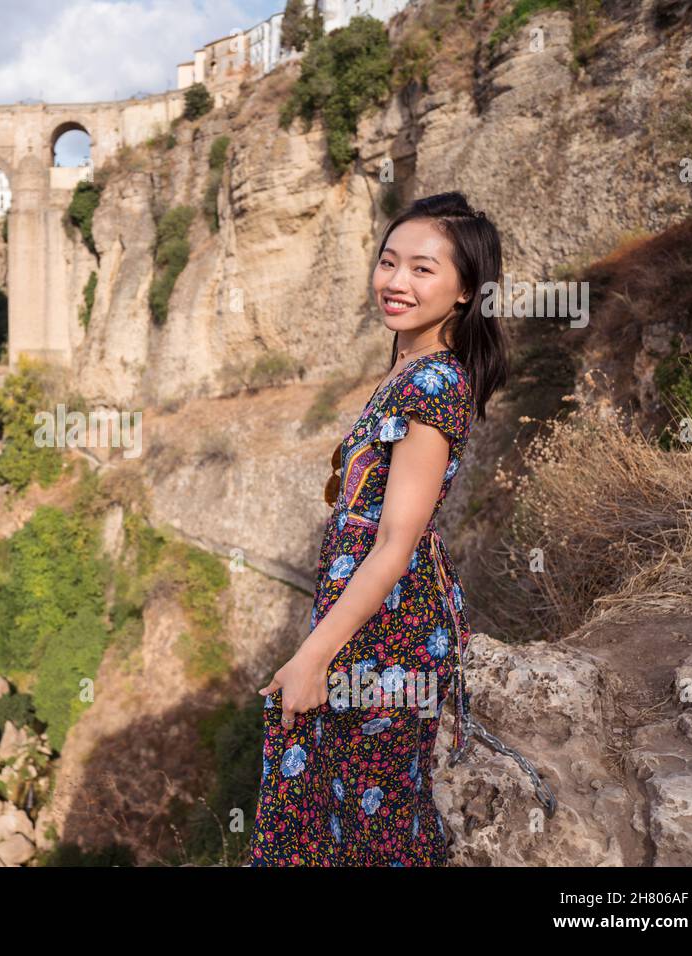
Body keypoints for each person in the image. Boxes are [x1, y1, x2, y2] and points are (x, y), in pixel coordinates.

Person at [249, 192, 508, 866]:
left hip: (391, 629)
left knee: (371, 809)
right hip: (366, 615)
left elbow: (398, 540)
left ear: (463, 293)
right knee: (333, 794)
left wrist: (313, 656)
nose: (397, 281)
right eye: (389, 262)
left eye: (424, 270)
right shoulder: (406, 370)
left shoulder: (433, 384)